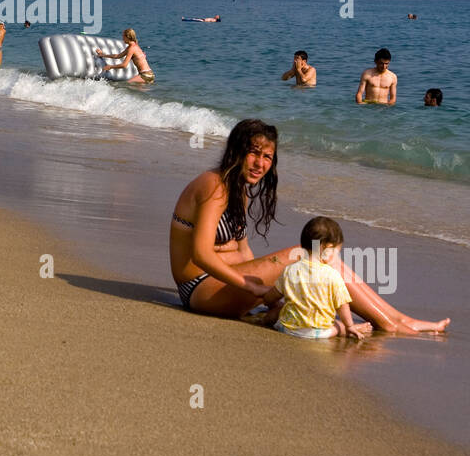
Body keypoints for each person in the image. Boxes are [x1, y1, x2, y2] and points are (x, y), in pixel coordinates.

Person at [167, 118, 448, 332]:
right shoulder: (214, 186)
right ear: (236, 152)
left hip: (226, 284)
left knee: (320, 260)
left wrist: (267, 295)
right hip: (200, 290)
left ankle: (393, 319)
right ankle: (393, 322)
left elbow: (243, 251)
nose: (260, 164)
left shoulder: (239, 190)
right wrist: (251, 287)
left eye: (267, 157)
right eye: (254, 153)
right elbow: (201, 254)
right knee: (305, 254)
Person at [256, 217, 370, 340]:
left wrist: (268, 302)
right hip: (318, 333)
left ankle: (263, 321)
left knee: (279, 311)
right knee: (339, 326)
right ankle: (352, 329)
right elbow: (342, 306)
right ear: (327, 247)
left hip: (287, 328)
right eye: (337, 251)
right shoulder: (333, 275)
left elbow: (272, 296)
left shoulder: (290, 270)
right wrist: (349, 325)